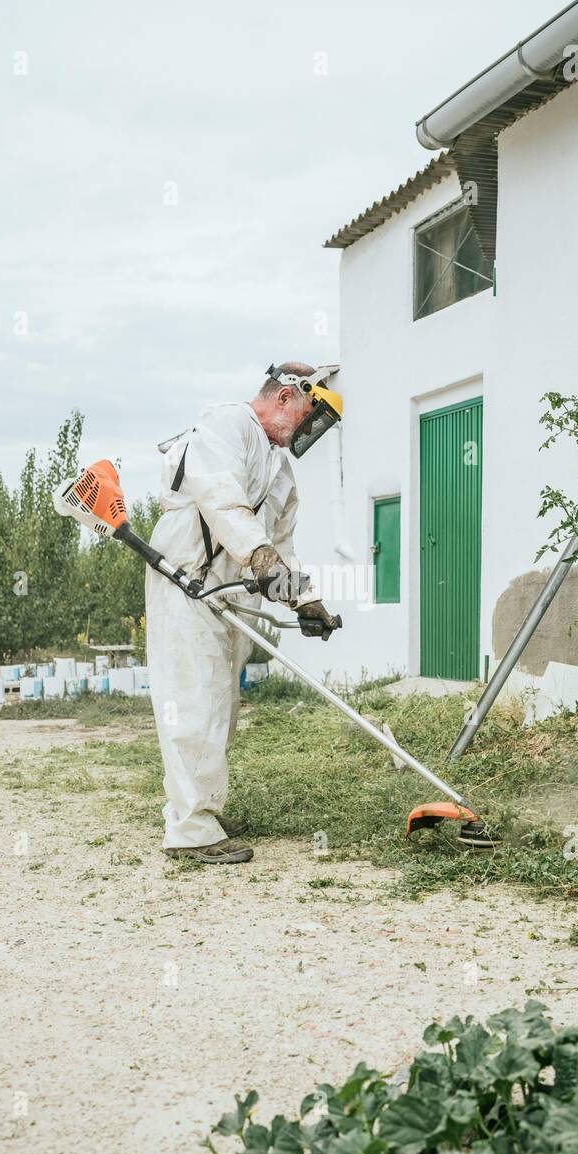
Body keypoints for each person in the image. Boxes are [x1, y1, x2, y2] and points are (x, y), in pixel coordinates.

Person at [146, 362, 343, 864]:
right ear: (286, 397)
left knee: (221, 707)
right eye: (308, 416)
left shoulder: (281, 473)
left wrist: (304, 600)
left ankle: (204, 810)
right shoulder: (226, 424)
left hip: (231, 596)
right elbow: (223, 503)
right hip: (186, 579)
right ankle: (189, 829)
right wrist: (262, 561)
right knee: (194, 702)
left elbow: (281, 545)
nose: (305, 431)